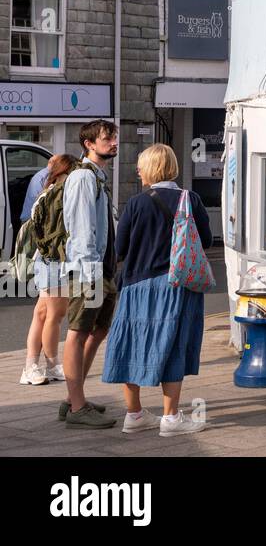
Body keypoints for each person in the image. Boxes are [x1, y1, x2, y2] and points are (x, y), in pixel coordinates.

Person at [102, 144, 212, 436]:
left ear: (151, 168)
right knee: (173, 345)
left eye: (140, 165)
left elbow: (120, 248)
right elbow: (207, 241)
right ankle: (171, 418)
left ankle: (135, 414)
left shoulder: (136, 203)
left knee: (131, 345)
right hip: (176, 285)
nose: (137, 170)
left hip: (136, 286)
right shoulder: (191, 199)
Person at [61, 119, 120, 429]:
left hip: (103, 268)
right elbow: (83, 229)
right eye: (106, 138)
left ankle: (74, 398)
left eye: (113, 137)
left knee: (97, 331)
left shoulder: (98, 177)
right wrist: (91, 273)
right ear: (89, 144)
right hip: (90, 269)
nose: (113, 142)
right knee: (78, 332)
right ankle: (77, 406)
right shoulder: (84, 178)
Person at [18, 155, 77, 386]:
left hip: (49, 260)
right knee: (54, 315)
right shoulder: (55, 195)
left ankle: (37, 365)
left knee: (44, 314)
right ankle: (44, 365)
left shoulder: (49, 192)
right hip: (53, 260)